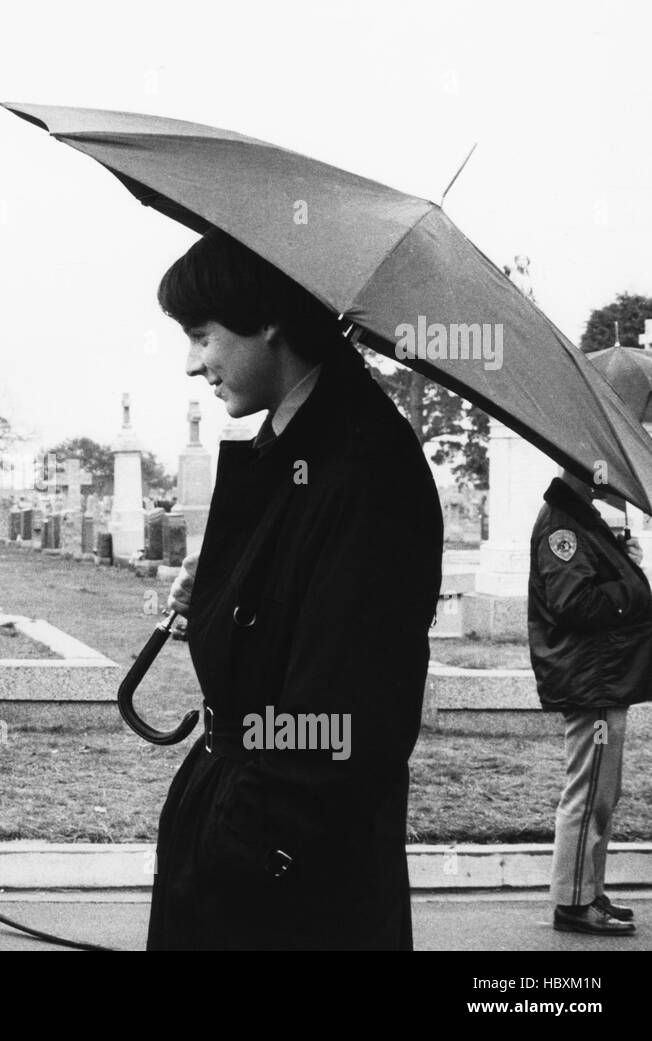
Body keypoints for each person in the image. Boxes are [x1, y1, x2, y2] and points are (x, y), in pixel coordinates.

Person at [147, 228, 443, 950]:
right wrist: (218, 591)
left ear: (267, 319)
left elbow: (342, 715)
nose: (192, 365)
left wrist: (235, 854)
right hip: (241, 821)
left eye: (200, 336)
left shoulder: (366, 466)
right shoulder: (296, 441)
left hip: (285, 875)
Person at [528, 470, 652, 936]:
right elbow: (574, 602)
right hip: (593, 679)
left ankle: (587, 891)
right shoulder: (564, 525)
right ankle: (575, 903)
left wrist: (621, 562)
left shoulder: (581, 519)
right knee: (587, 793)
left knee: (601, 792)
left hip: (601, 676)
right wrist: (634, 591)